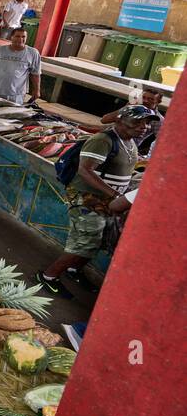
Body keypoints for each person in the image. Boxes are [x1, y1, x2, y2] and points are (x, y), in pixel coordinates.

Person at [37, 105, 154, 298]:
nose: (143, 127)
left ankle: (74, 270)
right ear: (119, 120)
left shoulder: (130, 141)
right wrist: (115, 194)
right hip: (87, 196)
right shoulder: (103, 140)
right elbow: (85, 170)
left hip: (107, 200)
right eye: (137, 122)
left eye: (146, 123)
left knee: (101, 238)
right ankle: (48, 275)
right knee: (86, 241)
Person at [0, 26, 41, 104]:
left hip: (15, 94)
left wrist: (37, 90)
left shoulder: (33, 53)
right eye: (17, 36)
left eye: (23, 37)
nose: (20, 39)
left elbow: (35, 74)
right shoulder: (0, 50)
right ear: (11, 37)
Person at [97, 87, 163, 157]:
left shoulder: (158, 120)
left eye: (151, 99)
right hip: (108, 139)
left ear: (158, 102)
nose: (145, 101)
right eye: (143, 97)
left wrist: (144, 154)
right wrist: (125, 109)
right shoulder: (131, 108)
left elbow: (161, 142)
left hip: (126, 149)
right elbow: (104, 120)